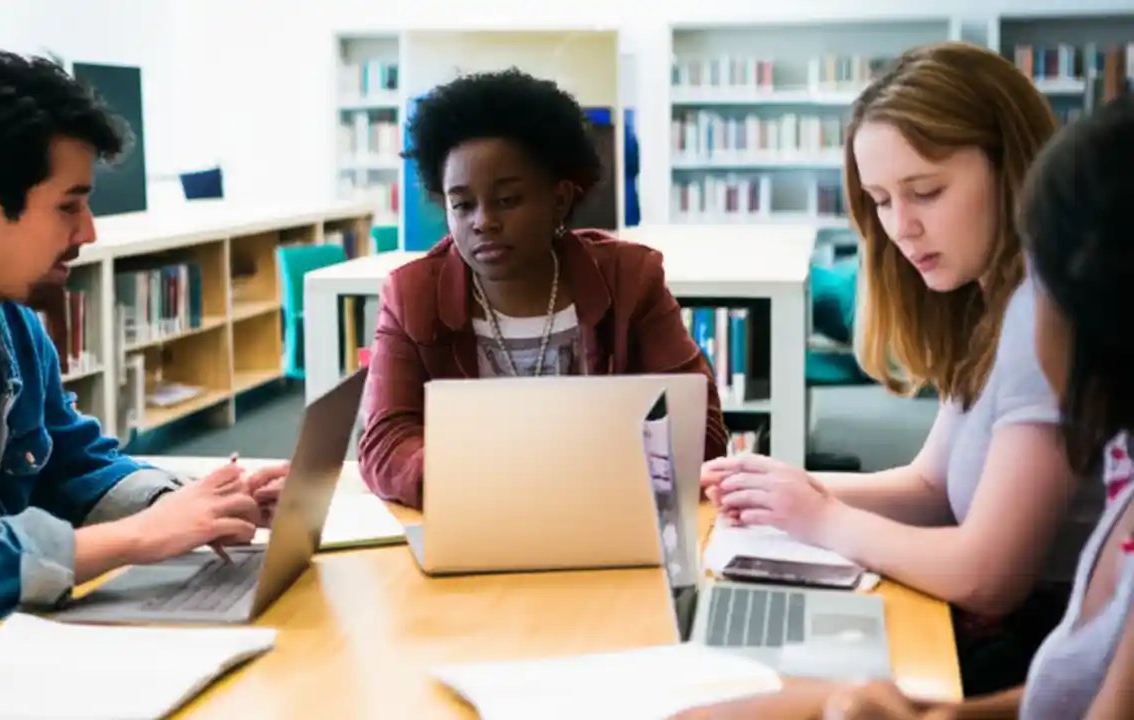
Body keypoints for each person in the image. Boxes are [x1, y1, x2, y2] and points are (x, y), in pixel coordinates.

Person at [676, 89, 1134, 720]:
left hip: (1005, 635)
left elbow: (991, 582)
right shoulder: (988, 306)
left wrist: (822, 516)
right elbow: (932, 483)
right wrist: (785, 489)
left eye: (926, 192)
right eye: (881, 202)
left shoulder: (1034, 309)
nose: (901, 227)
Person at [0, 50, 288, 634]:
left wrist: (193, 506)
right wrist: (137, 539)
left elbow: (73, 466)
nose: (87, 232)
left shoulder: (13, 330)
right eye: (68, 206)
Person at [359, 68, 727, 508]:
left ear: (560, 200)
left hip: (602, 514)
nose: (483, 221)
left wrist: (584, 476)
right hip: (477, 514)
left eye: (508, 200)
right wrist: (481, 479)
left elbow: (698, 426)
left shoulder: (631, 277)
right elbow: (385, 440)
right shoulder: (411, 293)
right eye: (462, 204)